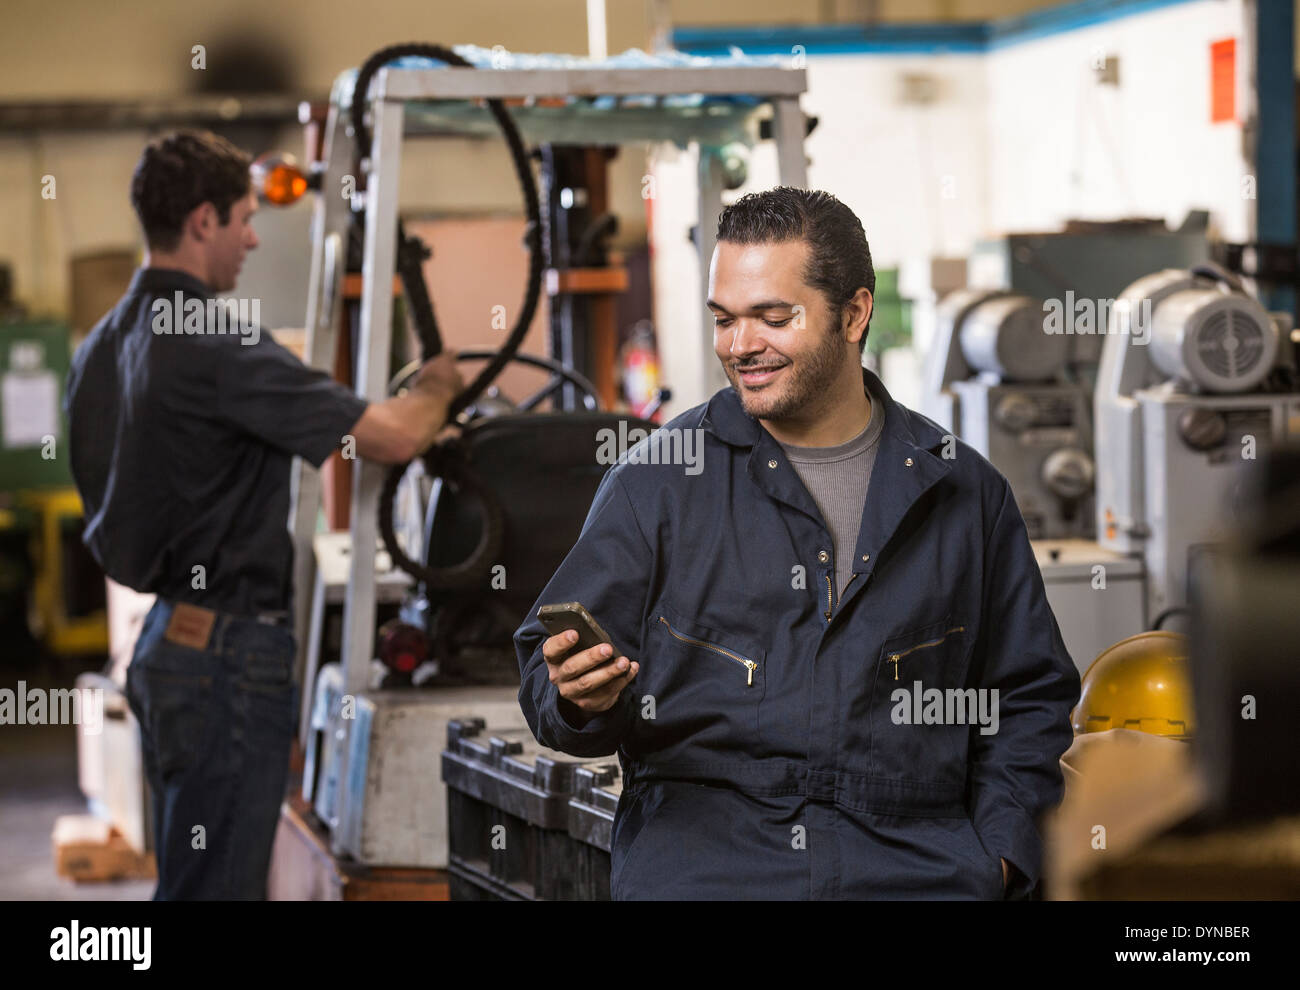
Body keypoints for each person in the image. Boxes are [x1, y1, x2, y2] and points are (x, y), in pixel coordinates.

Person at [515, 187, 1080, 900]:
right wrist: (578, 699)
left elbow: (1027, 700)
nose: (740, 345)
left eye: (772, 318)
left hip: (917, 873)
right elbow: (547, 677)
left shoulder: (964, 494)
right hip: (710, 871)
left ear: (854, 313)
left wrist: (998, 857)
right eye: (725, 320)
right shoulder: (658, 483)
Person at [64, 129, 462, 899]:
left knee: (192, 877)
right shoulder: (215, 340)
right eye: (243, 218)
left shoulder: (102, 345)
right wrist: (439, 387)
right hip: (229, 660)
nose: (251, 238)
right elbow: (391, 435)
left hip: (167, 644)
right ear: (202, 221)